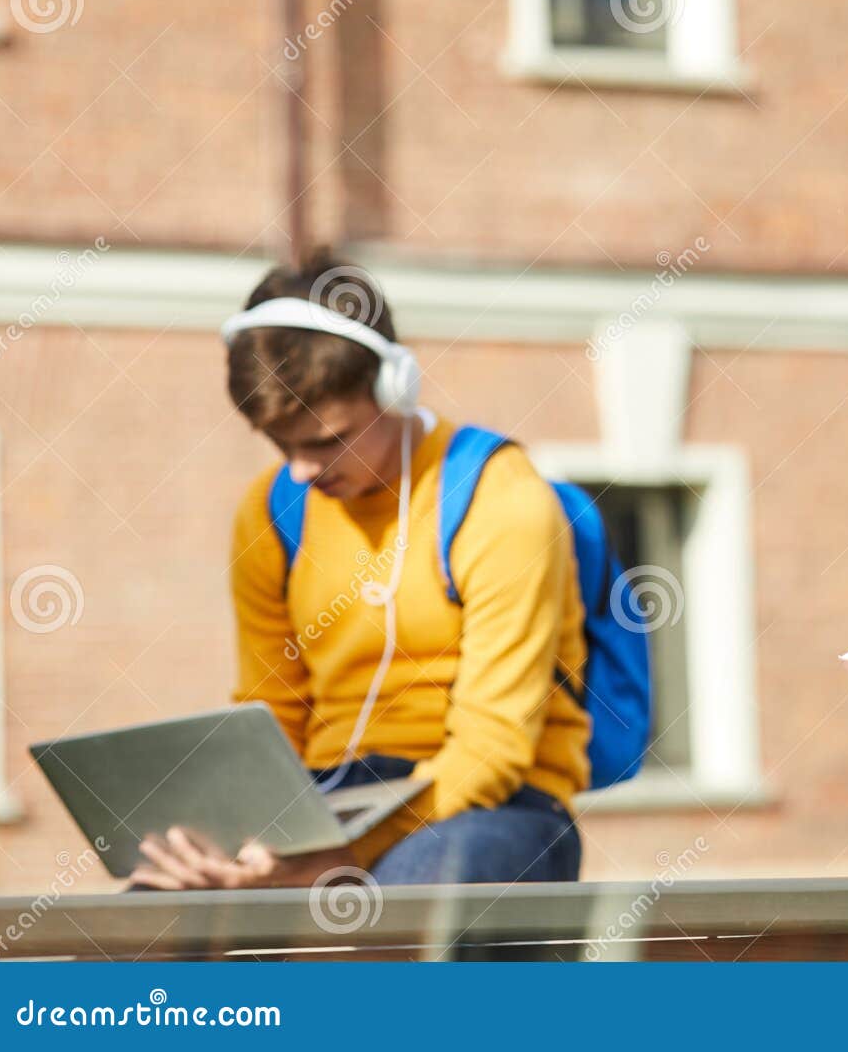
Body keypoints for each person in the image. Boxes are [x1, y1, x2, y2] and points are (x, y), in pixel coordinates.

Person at [128, 250, 590, 889]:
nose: (302, 470)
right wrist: (231, 839)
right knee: (140, 928)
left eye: (324, 440)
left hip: (490, 808)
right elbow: (270, 713)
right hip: (323, 803)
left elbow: (492, 752)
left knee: (383, 917)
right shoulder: (272, 511)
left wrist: (330, 862)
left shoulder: (501, 500)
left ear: (394, 388)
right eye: (280, 444)